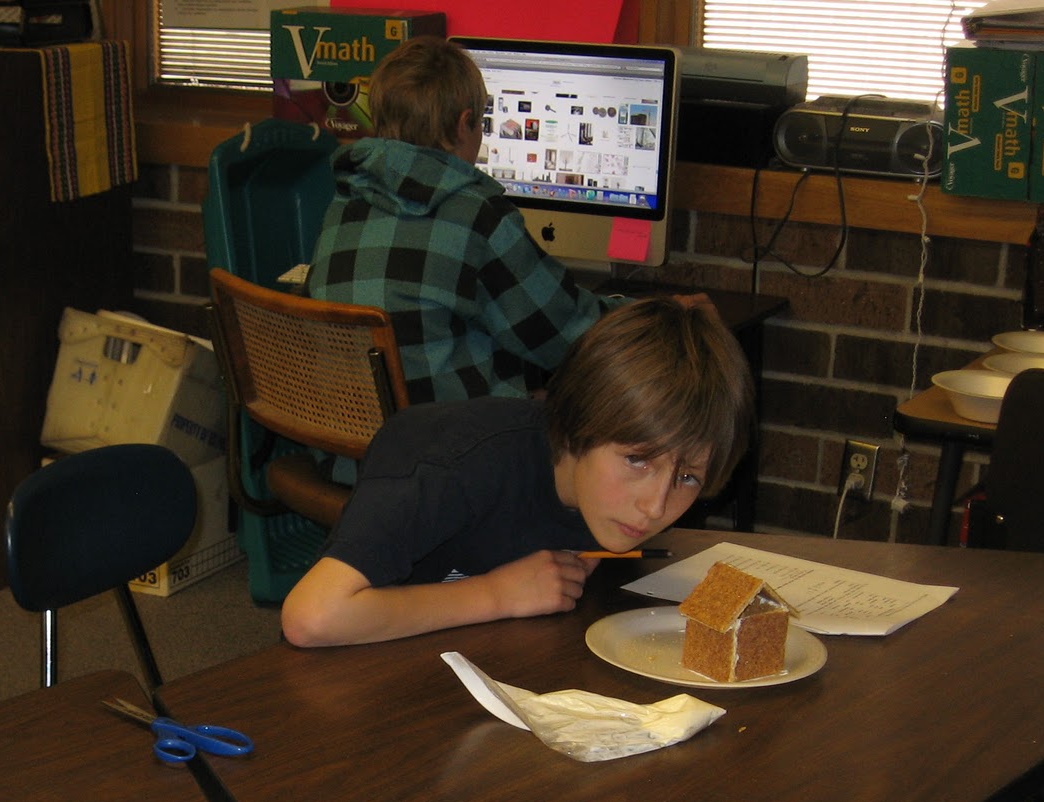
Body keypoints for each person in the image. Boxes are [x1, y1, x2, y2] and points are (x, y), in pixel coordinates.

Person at [280, 296, 754, 647]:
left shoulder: (600, 490)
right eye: (637, 460)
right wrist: (496, 595)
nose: (655, 506)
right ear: (581, 421)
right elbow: (311, 618)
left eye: (687, 478)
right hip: (355, 669)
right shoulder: (462, 468)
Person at [305, 35, 623, 406]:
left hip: (351, 453)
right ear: (464, 124)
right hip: (448, 454)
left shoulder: (344, 199)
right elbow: (569, 336)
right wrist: (657, 312)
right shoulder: (476, 215)